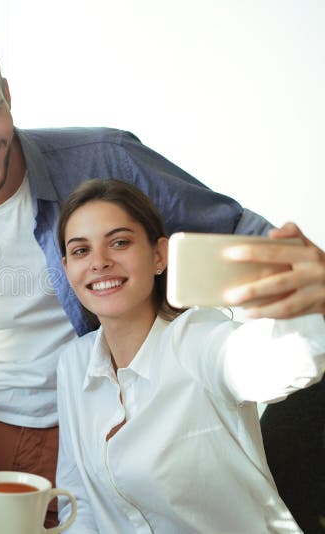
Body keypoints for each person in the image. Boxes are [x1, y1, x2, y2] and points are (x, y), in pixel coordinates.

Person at [0, 21, 287, 526]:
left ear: (8, 94)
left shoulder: (104, 159)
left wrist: (292, 295)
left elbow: (242, 234)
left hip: (86, 422)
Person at [54, 178, 325, 532]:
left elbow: (279, 363)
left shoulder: (199, 339)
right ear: (66, 270)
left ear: (158, 256)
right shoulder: (73, 365)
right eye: (80, 250)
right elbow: (78, 502)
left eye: (119, 242)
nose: (99, 262)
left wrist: (315, 301)